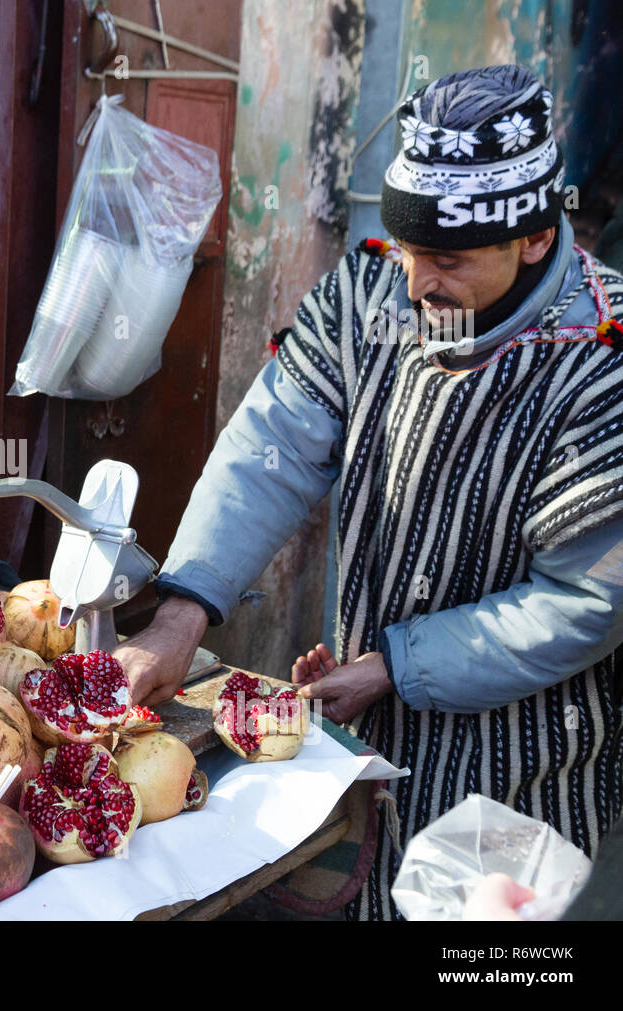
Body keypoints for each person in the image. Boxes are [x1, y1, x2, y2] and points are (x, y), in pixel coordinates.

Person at [113, 65, 623, 920]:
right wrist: (181, 612)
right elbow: (272, 444)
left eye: (447, 257)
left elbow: (585, 601)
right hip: (367, 736)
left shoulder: (604, 357)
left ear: (534, 238)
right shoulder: (375, 285)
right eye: (412, 249)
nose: (418, 281)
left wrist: (400, 662)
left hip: (517, 768)